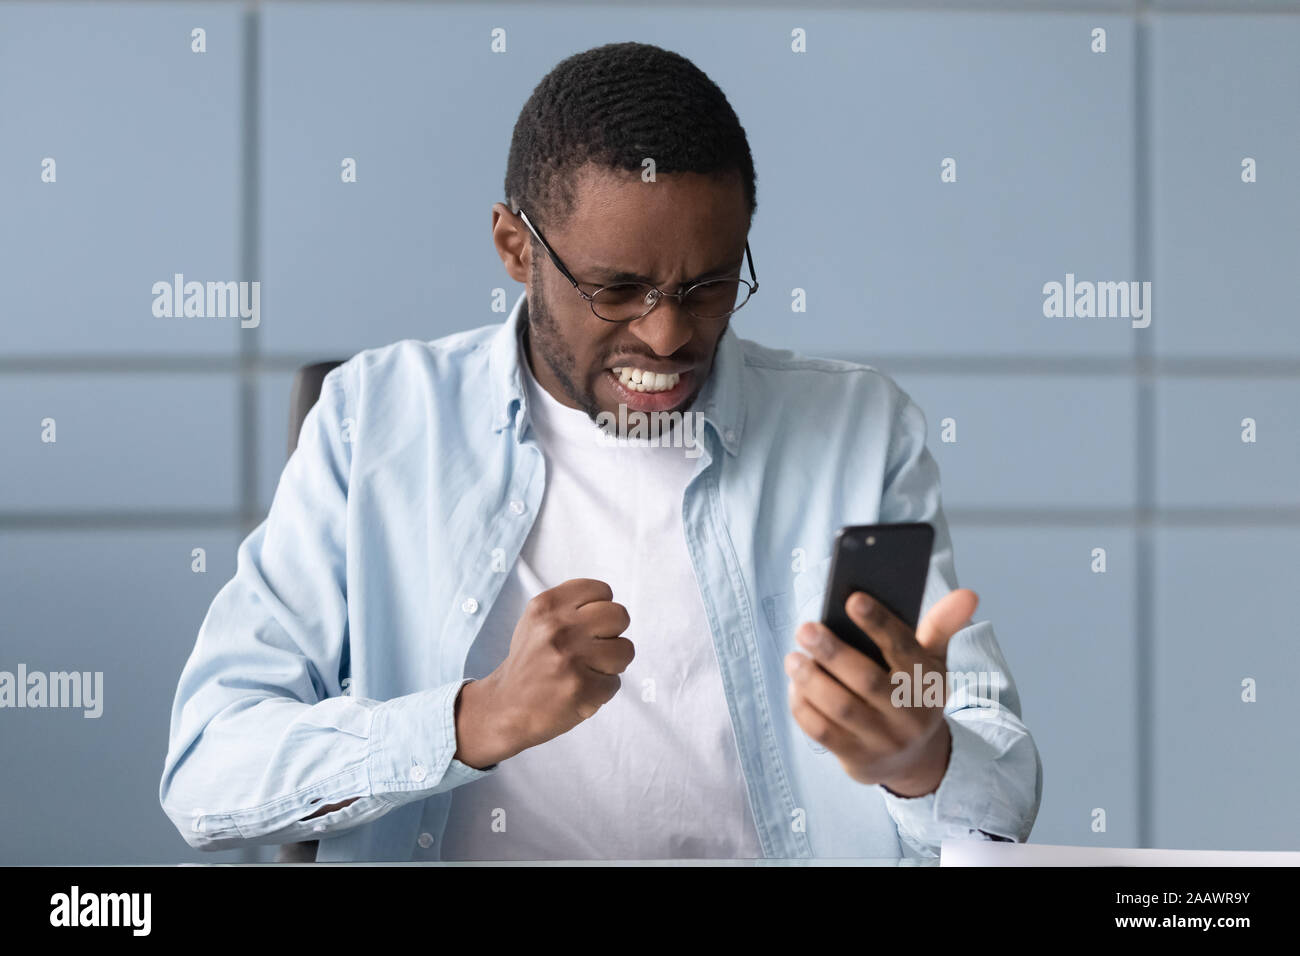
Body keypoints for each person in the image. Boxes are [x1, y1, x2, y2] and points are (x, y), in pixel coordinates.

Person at [160, 41, 1041, 862]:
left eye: (709, 287)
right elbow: (208, 771)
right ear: (516, 247)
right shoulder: (375, 420)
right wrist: (472, 721)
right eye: (618, 290)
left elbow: (1000, 800)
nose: (665, 336)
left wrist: (920, 752)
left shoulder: (857, 429)